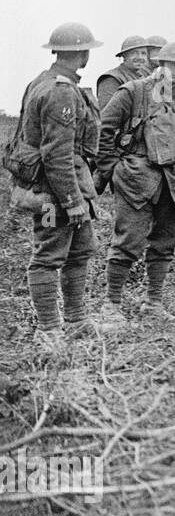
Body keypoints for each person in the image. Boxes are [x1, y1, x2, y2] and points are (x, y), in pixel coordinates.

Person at [97, 41, 175, 325]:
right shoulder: (134, 92)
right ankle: (111, 304)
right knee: (128, 241)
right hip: (137, 178)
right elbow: (104, 131)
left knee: (165, 243)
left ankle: (154, 303)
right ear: (161, 66)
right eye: (174, 66)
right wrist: (113, 169)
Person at [15, 22, 103, 349]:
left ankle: (78, 320)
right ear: (81, 53)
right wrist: (72, 202)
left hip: (65, 190)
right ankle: (49, 329)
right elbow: (57, 155)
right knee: (48, 255)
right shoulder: (61, 91)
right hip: (54, 198)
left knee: (80, 250)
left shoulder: (42, 82)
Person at [95, 35, 151, 111]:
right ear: (124, 55)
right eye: (134, 53)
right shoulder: (111, 79)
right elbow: (108, 116)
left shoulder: (144, 77)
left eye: (143, 53)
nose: (140, 57)